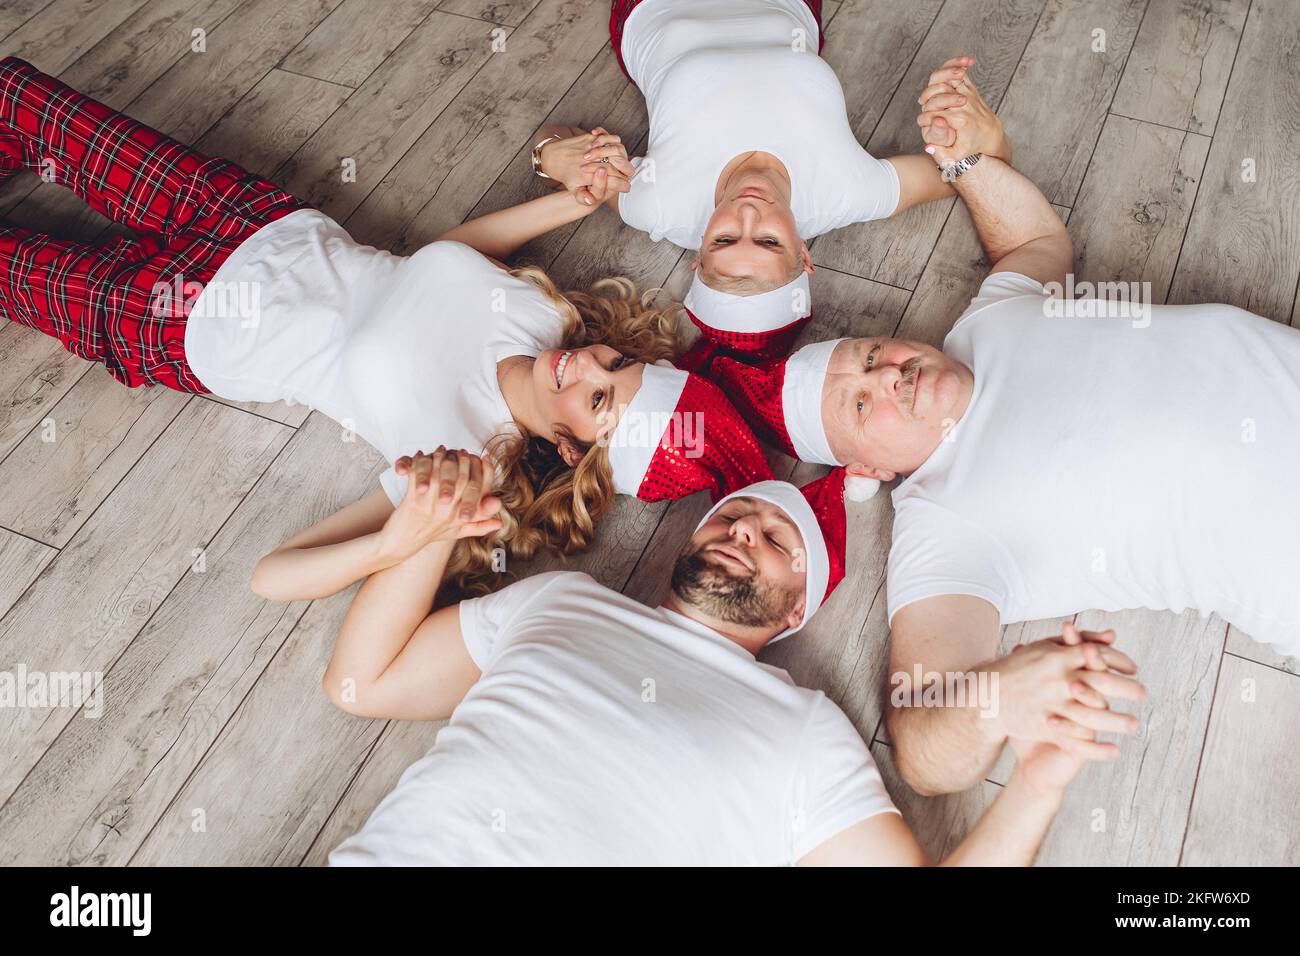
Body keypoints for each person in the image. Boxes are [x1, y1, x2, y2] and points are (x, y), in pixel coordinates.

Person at [0, 56, 770, 605]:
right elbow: (456, 253)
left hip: (181, 322)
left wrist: (397, 545)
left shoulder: (470, 464)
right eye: (616, 363)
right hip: (254, 218)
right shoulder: (543, 315)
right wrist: (575, 197)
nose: (585, 367)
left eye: (600, 401)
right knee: (18, 97)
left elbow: (273, 575)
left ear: (573, 451)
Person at [718, 69, 1299, 797]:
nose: (888, 376)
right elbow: (924, 752)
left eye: (870, 356)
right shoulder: (943, 530)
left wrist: (967, 162)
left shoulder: (984, 322)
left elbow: (1033, 238)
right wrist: (998, 699)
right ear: (868, 469)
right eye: (862, 407)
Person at [323, 450, 1114, 865]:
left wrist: (1039, 779)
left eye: (778, 542)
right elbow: (363, 683)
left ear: (798, 611)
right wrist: (429, 530)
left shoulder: (805, 731)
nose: (744, 533)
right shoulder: (559, 599)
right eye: (734, 518)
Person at [533, 5, 1011, 365]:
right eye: (767, 240)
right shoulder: (847, 191)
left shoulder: (657, 204)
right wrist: (974, 128)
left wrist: (555, 157)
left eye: (724, 239)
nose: (747, 214)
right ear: (804, 254)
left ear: (698, 251)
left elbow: (555, 141)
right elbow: (974, 171)